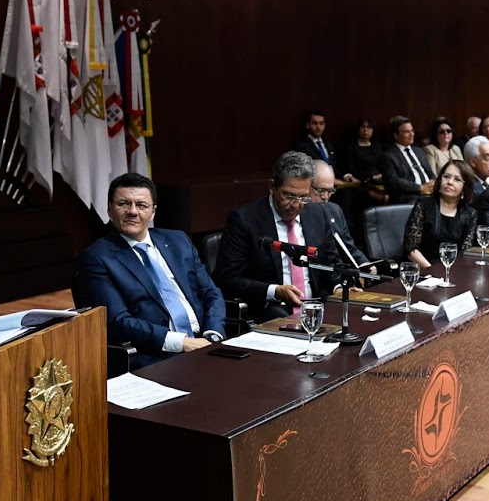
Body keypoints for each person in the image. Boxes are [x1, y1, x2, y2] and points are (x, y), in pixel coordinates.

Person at [75, 173, 226, 367]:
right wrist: (182, 343)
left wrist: (212, 334)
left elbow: (211, 293)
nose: (132, 211)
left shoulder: (178, 241)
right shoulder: (97, 258)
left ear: (153, 212)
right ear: (109, 209)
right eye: (123, 204)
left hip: (205, 342)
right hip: (156, 355)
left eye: (141, 205)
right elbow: (118, 322)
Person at [216, 151, 343, 321]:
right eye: (289, 196)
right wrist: (274, 291)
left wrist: (338, 288)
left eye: (303, 197)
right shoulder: (244, 220)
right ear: (272, 187)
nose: (296, 205)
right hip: (269, 313)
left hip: (315, 311)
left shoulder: (318, 214)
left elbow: (330, 263)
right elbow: (228, 279)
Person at [403, 160, 480, 270]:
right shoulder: (424, 205)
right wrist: (433, 271)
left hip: (454, 271)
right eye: (446, 177)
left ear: (465, 187)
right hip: (423, 269)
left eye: (457, 179)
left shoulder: (470, 213)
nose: (450, 182)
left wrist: (450, 272)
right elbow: (410, 249)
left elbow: (465, 251)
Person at [381, 115, 437, 203]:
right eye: (407, 132)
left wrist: (434, 183)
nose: (412, 134)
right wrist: (420, 188)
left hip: (430, 192)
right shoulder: (388, 156)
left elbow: (430, 172)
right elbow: (394, 181)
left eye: (412, 131)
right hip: (409, 197)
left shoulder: (419, 151)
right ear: (396, 135)